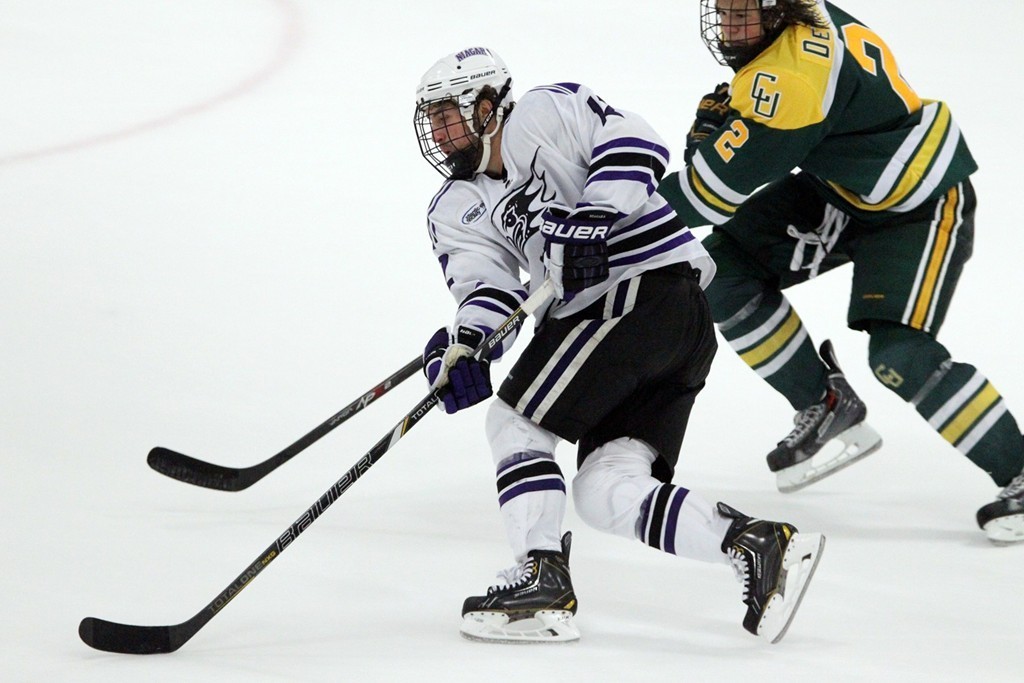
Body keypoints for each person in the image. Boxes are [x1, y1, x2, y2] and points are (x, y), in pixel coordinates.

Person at [413, 46, 824, 643]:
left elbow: (638, 144)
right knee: (605, 489)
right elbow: (489, 288)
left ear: (486, 105)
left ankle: (542, 580)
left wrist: (595, 216)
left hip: (637, 293)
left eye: (448, 114)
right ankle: (755, 545)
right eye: (431, 120)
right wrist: (468, 343)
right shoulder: (457, 207)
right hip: (657, 325)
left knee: (516, 424)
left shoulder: (541, 113)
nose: (439, 132)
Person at [657, 0, 1024, 543]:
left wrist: (613, 215)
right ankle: (825, 402)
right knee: (720, 271)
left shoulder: (790, 80)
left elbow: (708, 194)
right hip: (847, 188)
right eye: (726, 11)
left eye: (745, 14)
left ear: (779, 13)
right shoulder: (808, 22)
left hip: (920, 204)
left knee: (899, 355)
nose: (732, 26)